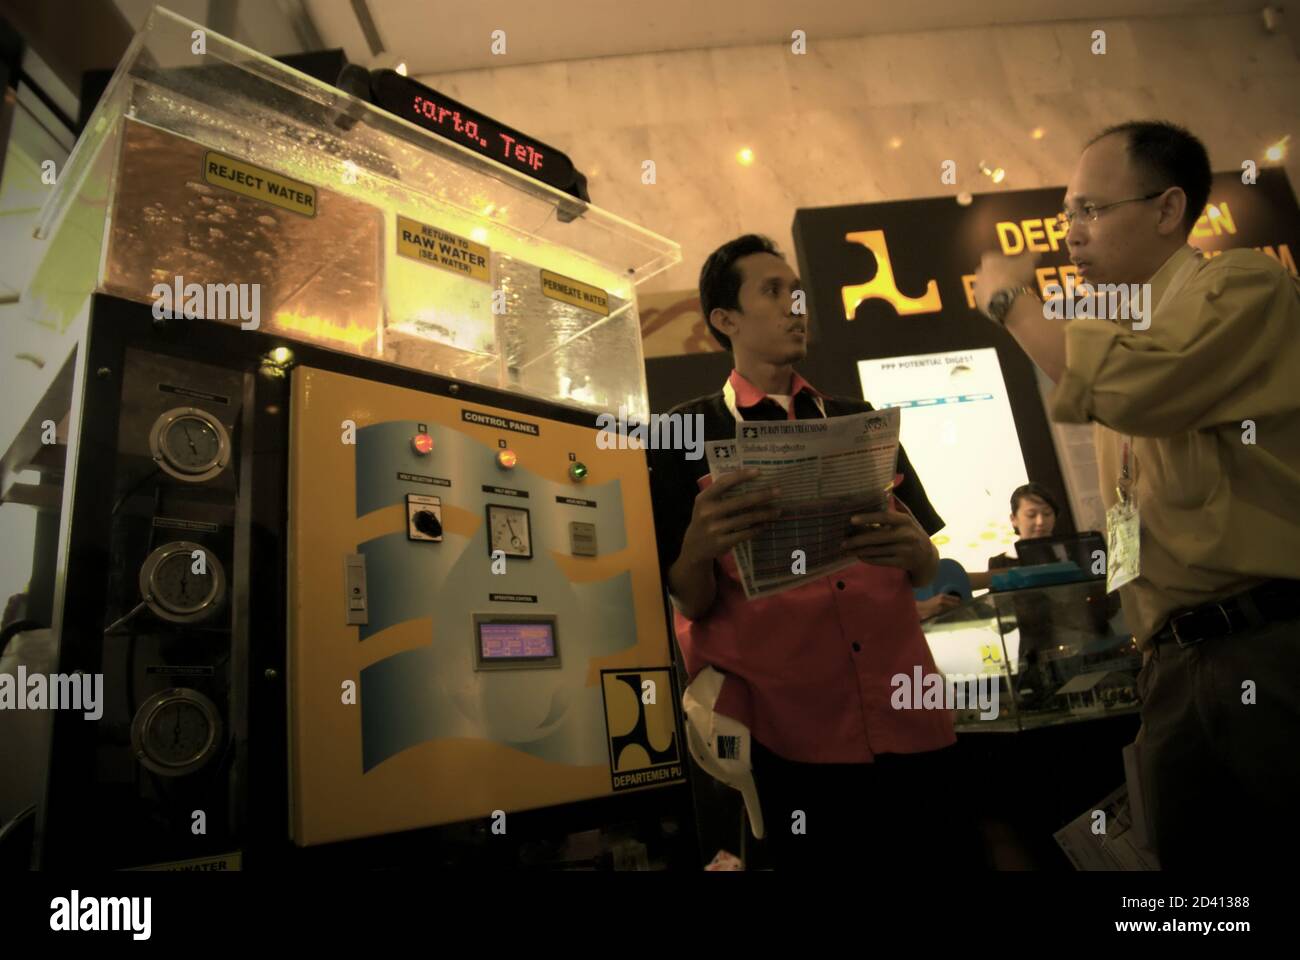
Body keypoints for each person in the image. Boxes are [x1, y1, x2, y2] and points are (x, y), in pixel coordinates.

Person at [973, 120, 1300, 868]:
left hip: (1260, 646)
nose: (1072, 234)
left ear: (1166, 208)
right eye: (1067, 217)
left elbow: (1145, 386)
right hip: (1168, 663)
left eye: (1091, 211)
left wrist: (1011, 303)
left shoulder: (1242, 286)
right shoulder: (1119, 333)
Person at [651, 234, 980, 869]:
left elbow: (922, 573)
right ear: (725, 320)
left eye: (797, 292)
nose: (794, 305)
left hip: (909, 711)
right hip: (789, 731)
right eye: (773, 291)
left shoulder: (861, 420)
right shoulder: (679, 437)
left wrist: (918, 553)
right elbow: (689, 596)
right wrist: (696, 547)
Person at [966, 482, 1060, 591]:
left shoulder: (1067, 553)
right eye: (1031, 515)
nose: (1040, 521)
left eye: (1047, 513)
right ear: (1013, 519)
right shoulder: (1000, 563)